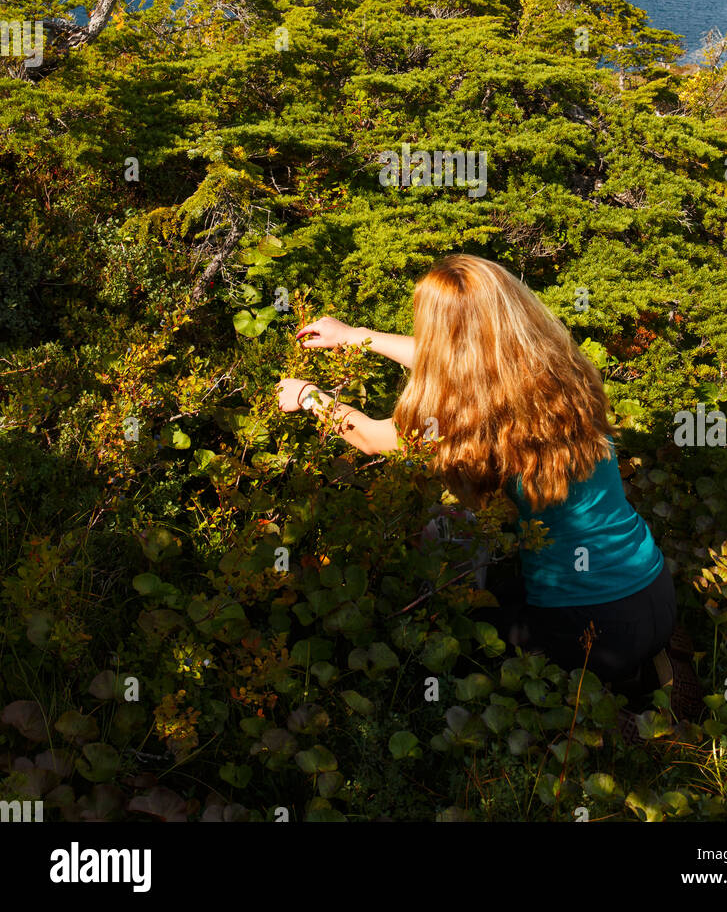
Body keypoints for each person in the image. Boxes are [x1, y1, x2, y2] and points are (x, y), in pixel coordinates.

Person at [276, 253, 679, 701]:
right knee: (514, 588)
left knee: (464, 632)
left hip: (591, 627)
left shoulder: (463, 413)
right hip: (656, 592)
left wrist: (308, 397)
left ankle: (602, 688)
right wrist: (355, 336)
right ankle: (643, 667)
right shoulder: (560, 366)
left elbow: (370, 438)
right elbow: (454, 361)